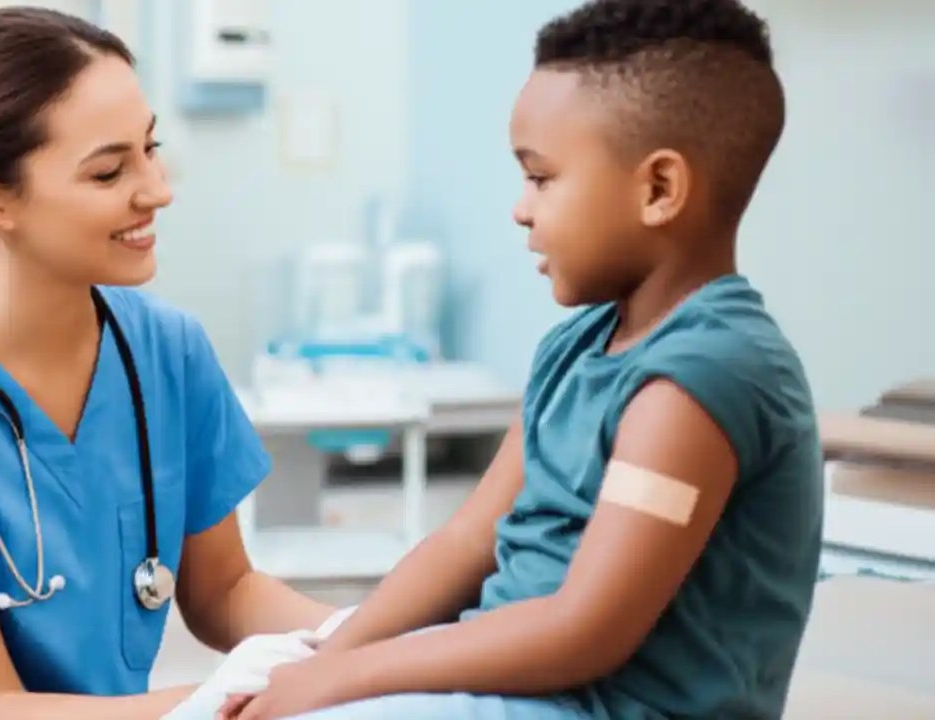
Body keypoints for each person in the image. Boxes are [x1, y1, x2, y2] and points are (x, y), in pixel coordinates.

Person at [219, 1, 823, 718]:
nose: (520, 209)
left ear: (658, 190)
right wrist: (326, 660)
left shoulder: (701, 376)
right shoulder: (575, 346)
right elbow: (469, 539)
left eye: (541, 178)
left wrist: (342, 683)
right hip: (519, 692)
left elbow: (582, 631)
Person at [0, 8, 334, 719]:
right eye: (110, 171)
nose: (157, 189)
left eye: (151, 150)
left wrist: (353, 641)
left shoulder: (169, 351)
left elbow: (223, 593)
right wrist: (206, 701)